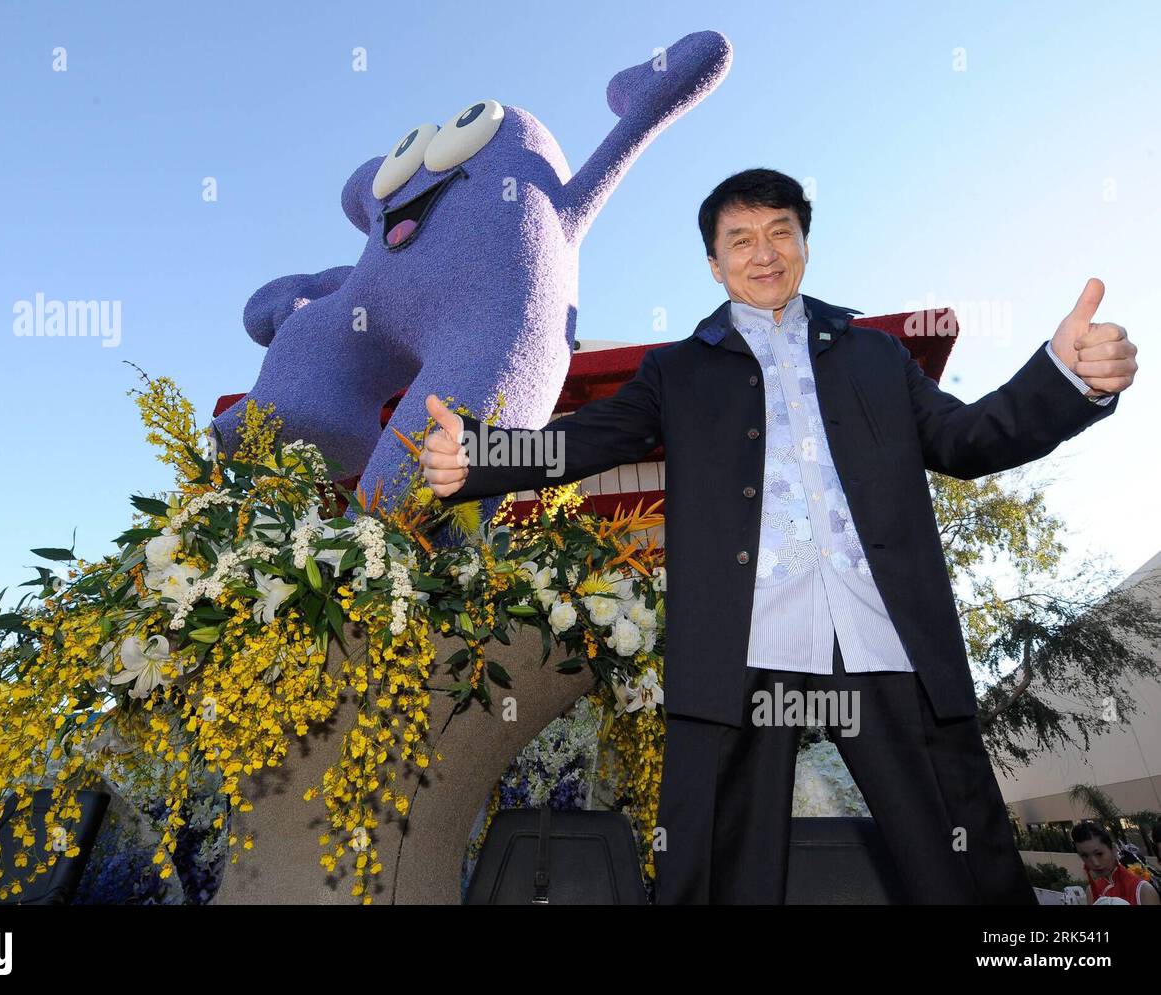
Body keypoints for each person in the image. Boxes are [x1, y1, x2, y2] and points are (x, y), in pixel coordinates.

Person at [419, 168, 1139, 904]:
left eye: (779, 233)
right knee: (724, 868)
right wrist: (483, 454)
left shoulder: (874, 355)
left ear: (804, 243)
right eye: (740, 240)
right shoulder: (677, 371)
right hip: (744, 646)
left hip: (881, 635)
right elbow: (586, 441)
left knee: (960, 861)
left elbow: (968, 438)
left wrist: (1065, 378)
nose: (762, 253)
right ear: (713, 263)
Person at [1072, 821, 1160, 906]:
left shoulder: (1143, 890)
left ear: (1113, 849)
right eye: (1085, 856)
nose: (1095, 863)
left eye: (1099, 854)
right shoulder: (1091, 891)